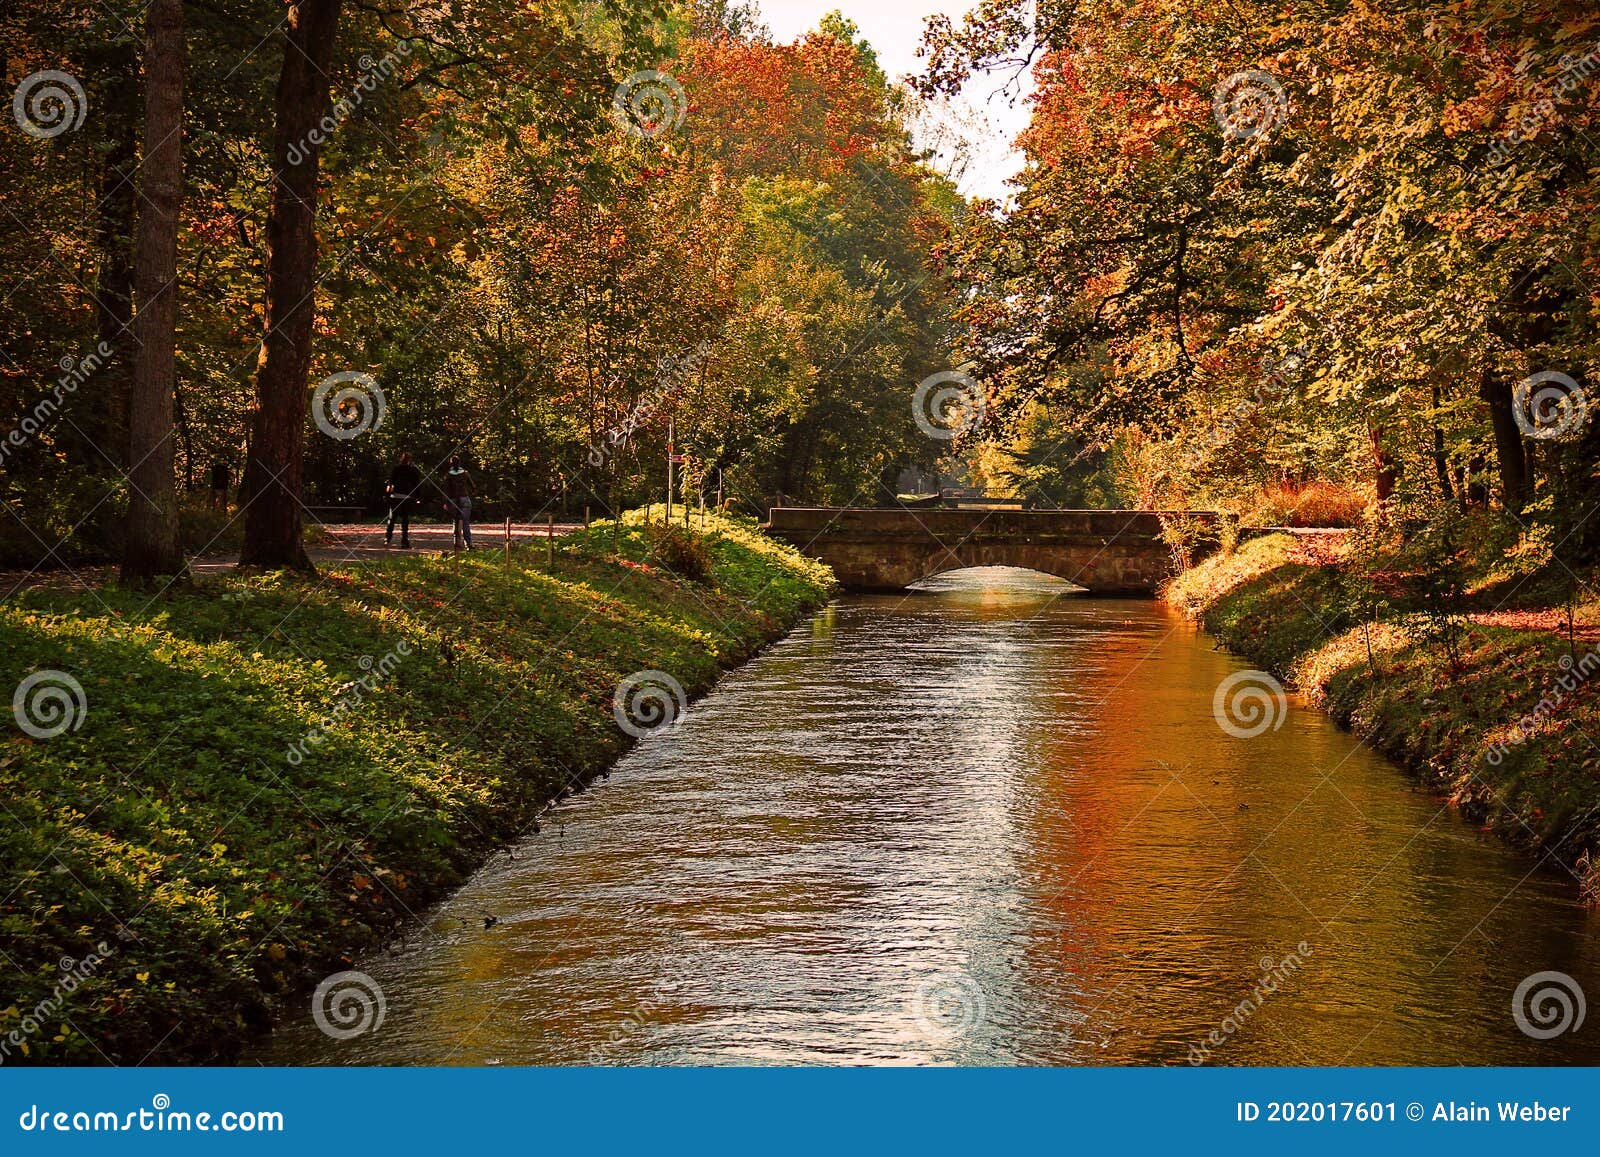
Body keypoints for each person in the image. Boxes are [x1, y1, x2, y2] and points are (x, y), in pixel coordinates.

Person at [385, 452, 422, 548]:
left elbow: (390, 481)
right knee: (405, 520)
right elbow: (416, 484)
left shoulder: (396, 468)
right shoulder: (412, 470)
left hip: (395, 496)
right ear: (410, 460)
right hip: (406, 496)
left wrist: (387, 495)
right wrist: (418, 496)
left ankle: (388, 538)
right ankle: (404, 541)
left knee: (392, 518)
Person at [442, 454, 474, 550]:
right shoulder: (465, 473)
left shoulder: (448, 474)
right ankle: (469, 544)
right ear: (459, 463)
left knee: (456, 522)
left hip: (453, 500)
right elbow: (473, 487)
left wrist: (445, 502)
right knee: (465, 523)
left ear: (451, 464)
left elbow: (445, 490)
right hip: (465, 498)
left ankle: (457, 544)